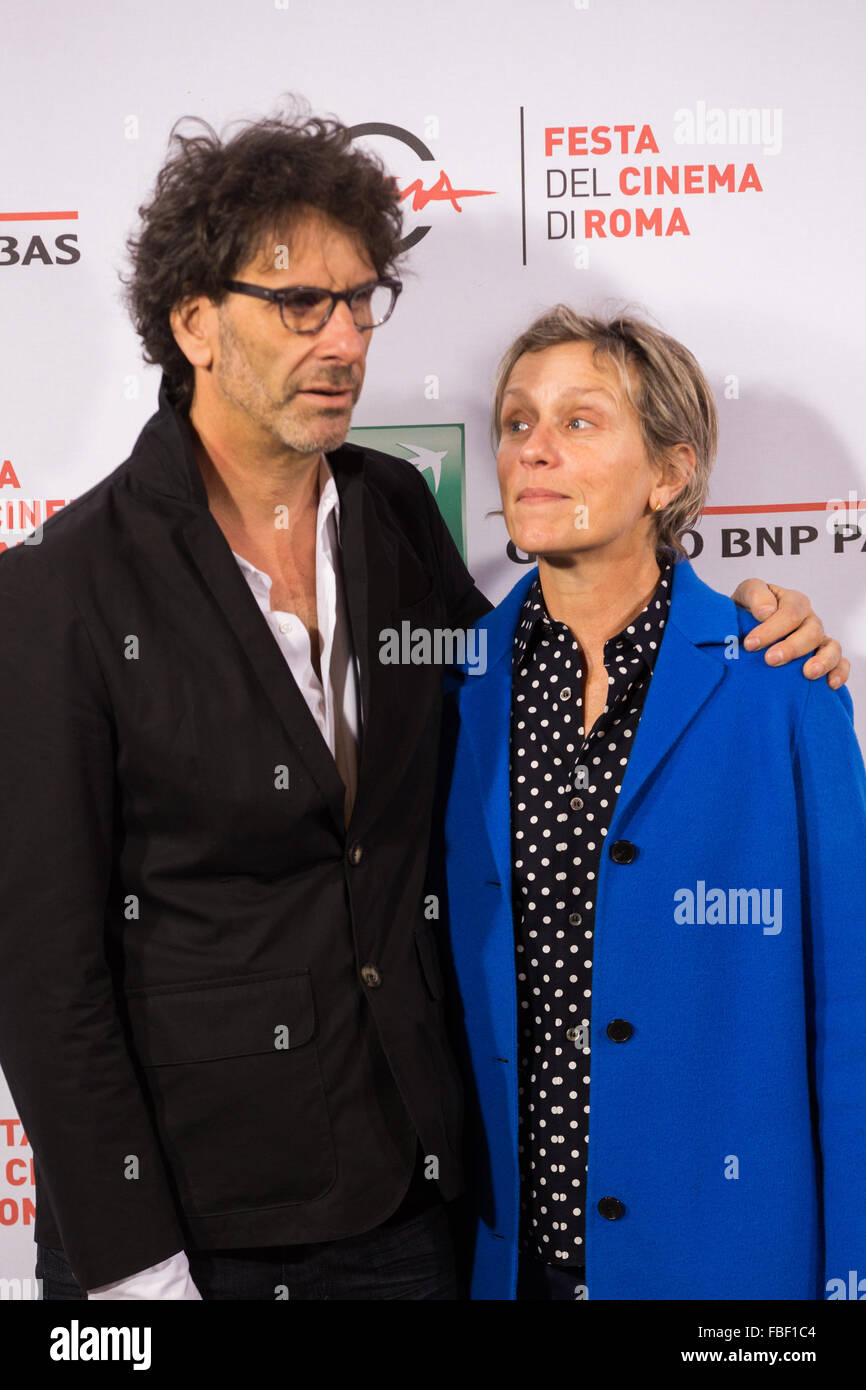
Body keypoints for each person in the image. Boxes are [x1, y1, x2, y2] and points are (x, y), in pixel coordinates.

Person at [0, 109, 849, 1302]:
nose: (343, 338)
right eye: (302, 303)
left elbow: (529, 664)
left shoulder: (394, 514)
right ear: (195, 322)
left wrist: (753, 615)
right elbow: (42, 977)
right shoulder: (61, 590)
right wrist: (140, 1274)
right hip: (197, 1233)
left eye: (360, 301)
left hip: (420, 1210)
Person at [436, 306, 866, 1300]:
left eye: (578, 421)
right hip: (511, 1263)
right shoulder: (455, 687)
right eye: (514, 421)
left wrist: (848, 1278)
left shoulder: (779, 684)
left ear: (666, 475)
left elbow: (848, 1013)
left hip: (726, 1272)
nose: (532, 448)